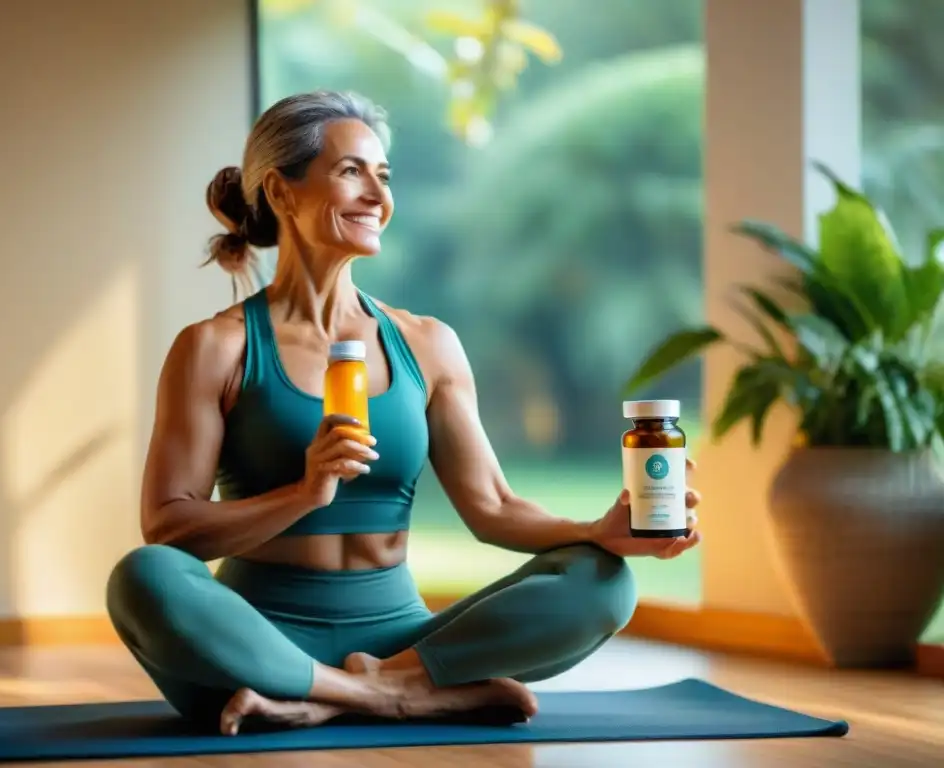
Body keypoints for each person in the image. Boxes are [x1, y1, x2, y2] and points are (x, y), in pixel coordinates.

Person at [105, 90, 702, 736]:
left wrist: (596, 529)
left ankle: (375, 689)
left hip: (403, 643)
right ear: (281, 193)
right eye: (351, 172)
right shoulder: (216, 347)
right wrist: (304, 493)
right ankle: (396, 698)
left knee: (603, 581)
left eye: (383, 176)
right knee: (144, 578)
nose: (377, 195)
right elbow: (168, 529)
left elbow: (493, 508)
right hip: (254, 650)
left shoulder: (426, 343)